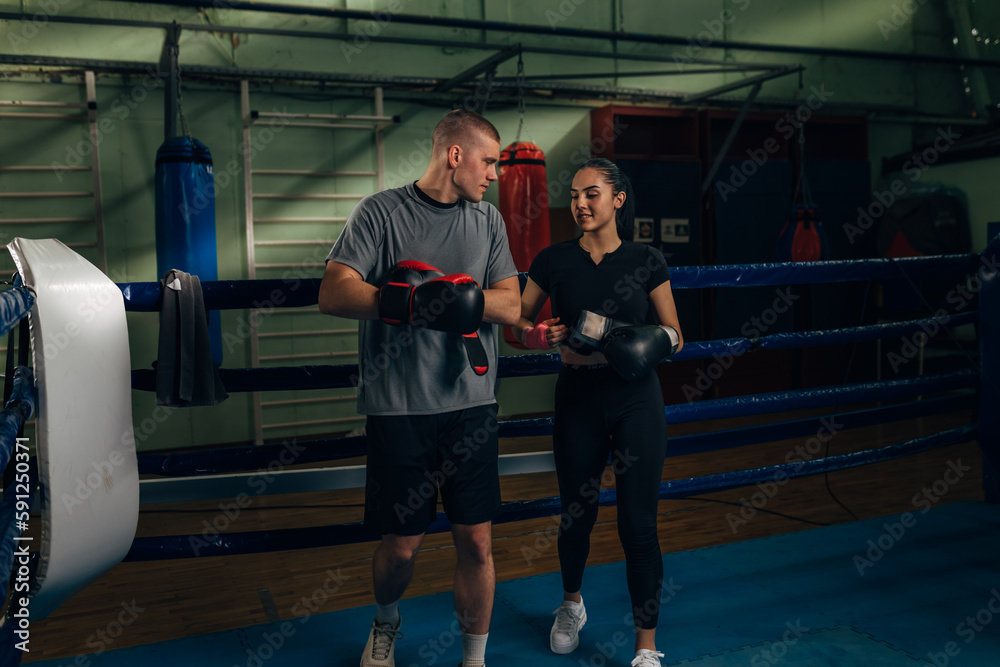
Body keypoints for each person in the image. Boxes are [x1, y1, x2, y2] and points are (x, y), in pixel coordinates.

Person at [319, 109, 520, 667]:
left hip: (471, 409)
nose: (494, 175)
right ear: (455, 155)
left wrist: (465, 302)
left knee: (476, 542)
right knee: (400, 548)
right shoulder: (380, 213)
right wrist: (408, 302)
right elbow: (334, 292)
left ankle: (474, 659)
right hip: (400, 410)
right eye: (488, 161)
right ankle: (386, 622)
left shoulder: (488, 223)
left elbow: (513, 303)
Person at [513, 158, 683, 667]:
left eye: (591, 194)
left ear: (618, 199)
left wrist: (630, 343)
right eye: (574, 195)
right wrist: (539, 333)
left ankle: (646, 647)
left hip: (636, 398)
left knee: (638, 524)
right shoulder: (552, 260)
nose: (580, 203)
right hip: (578, 396)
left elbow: (676, 334)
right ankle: (571, 606)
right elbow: (516, 324)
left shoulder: (646, 259)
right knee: (575, 515)